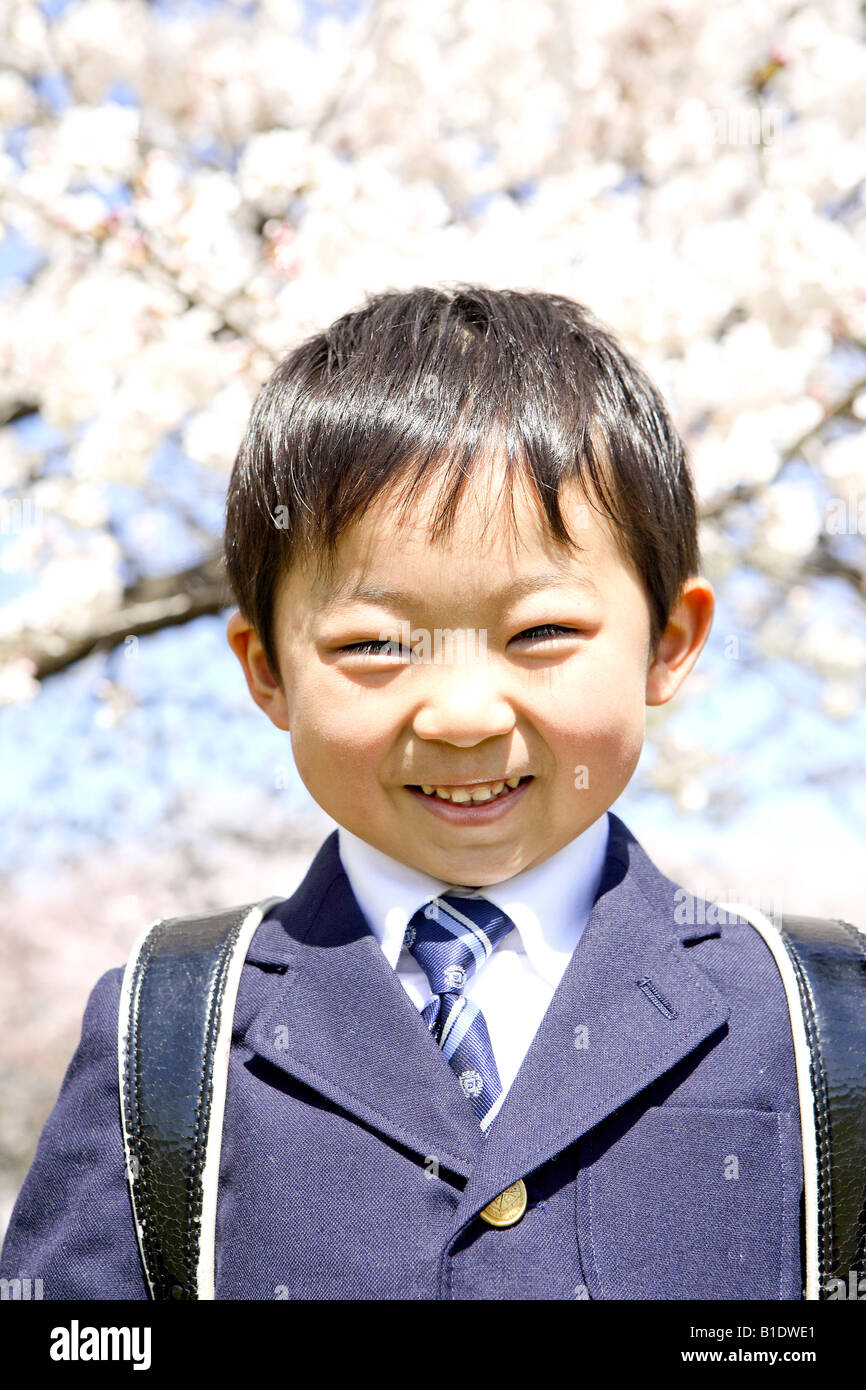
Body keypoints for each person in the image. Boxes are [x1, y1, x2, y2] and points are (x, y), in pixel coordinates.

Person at [0, 284, 804, 1299]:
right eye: (374, 644)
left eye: (540, 632)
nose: (461, 714)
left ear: (669, 642)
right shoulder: (169, 1032)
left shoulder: (810, 1019)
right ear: (266, 670)